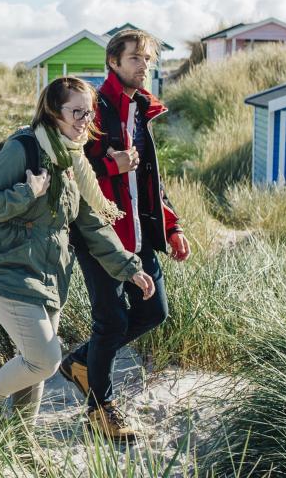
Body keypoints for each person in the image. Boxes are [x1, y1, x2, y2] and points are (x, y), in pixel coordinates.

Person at [0, 76, 155, 424]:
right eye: (76, 112)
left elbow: (93, 225)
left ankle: (20, 439)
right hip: (6, 271)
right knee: (46, 360)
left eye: (89, 112)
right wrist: (27, 193)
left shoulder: (74, 160)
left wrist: (130, 267)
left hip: (50, 277)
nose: (85, 120)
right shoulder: (23, 148)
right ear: (54, 112)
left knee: (33, 365)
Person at [58, 29, 190, 441]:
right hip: (100, 235)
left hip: (139, 233)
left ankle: (82, 363)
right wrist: (109, 167)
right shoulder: (93, 109)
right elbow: (67, 169)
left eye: (148, 59)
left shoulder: (142, 110)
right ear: (113, 62)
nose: (144, 66)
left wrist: (171, 226)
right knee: (111, 322)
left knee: (154, 312)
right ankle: (101, 410)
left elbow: (150, 180)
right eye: (135, 58)